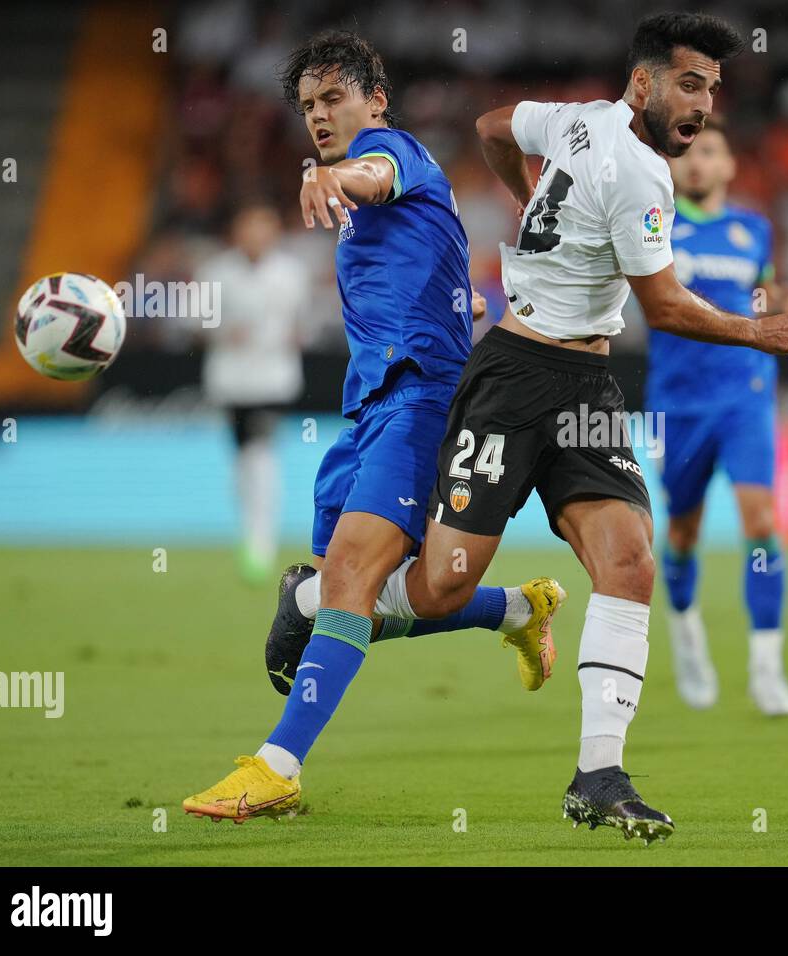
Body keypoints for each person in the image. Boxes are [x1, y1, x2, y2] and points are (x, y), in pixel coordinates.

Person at [371, 12, 788, 843]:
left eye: (713, 89)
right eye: (690, 84)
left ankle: (598, 775)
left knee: (630, 560)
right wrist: (757, 330)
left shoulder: (576, 118)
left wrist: (520, 188)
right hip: (511, 376)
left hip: (584, 387)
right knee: (443, 586)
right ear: (642, 83)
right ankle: (323, 599)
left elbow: (492, 126)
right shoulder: (646, 176)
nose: (704, 105)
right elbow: (666, 307)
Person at [184, 31, 563, 823]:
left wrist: (336, 173)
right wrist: (465, 308)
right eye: (309, 107)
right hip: (370, 405)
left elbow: (376, 173)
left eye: (334, 98)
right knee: (375, 598)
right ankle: (520, 610)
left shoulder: (389, 156)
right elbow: (436, 264)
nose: (320, 116)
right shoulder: (381, 197)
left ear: (375, 100)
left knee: (346, 586)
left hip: (419, 401)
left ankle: (275, 767)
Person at [646, 116, 788, 716]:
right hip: (678, 400)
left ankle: (767, 669)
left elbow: (764, 295)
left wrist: (786, 303)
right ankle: (687, 634)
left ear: (729, 165)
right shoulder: (654, 224)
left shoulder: (753, 230)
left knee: (760, 520)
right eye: (686, 150)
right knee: (683, 532)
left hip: (746, 394)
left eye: (709, 150)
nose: (696, 162)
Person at [197, 201, 306, 584]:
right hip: (230, 379)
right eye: (249, 229)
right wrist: (223, 331)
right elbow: (196, 323)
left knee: (261, 450)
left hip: (273, 378)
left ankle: (262, 540)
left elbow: (302, 320)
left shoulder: (291, 273)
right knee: (242, 456)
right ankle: (249, 529)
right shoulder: (216, 272)